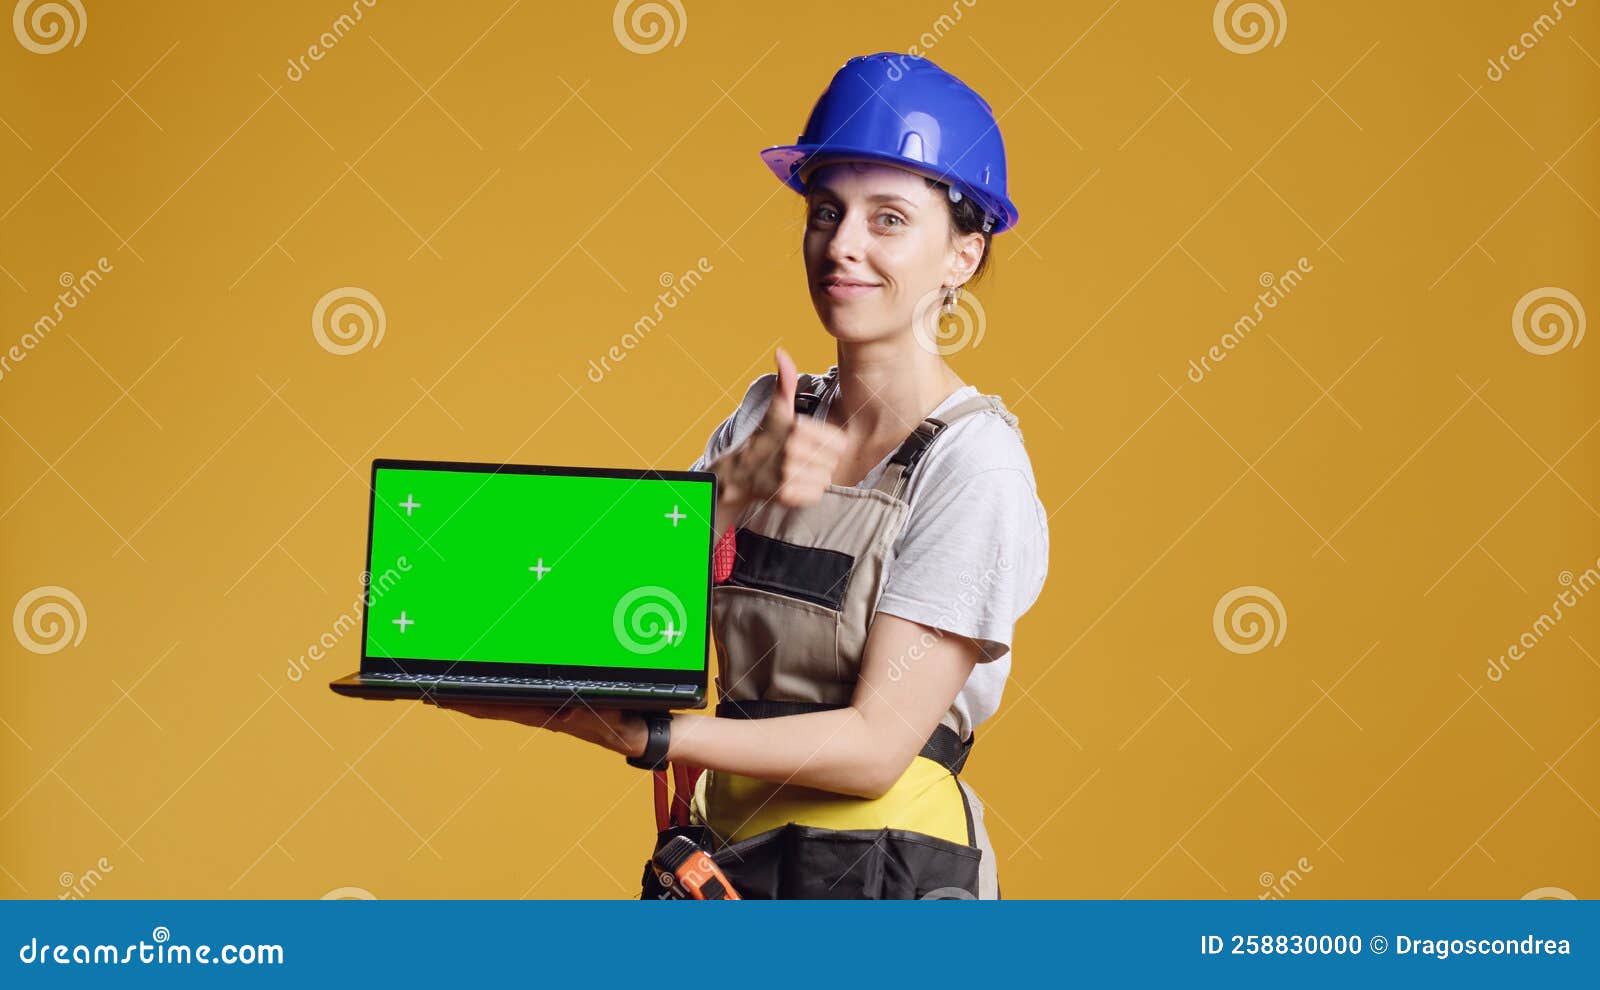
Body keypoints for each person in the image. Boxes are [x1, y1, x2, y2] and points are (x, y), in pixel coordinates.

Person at [432, 52, 1049, 899]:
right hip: (732, 867)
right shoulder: (768, 417)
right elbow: (605, 611)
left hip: (884, 880)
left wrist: (660, 738)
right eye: (826, 210)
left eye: (890, 219)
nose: (844, 245)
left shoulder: (972, 465)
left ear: (964, 255)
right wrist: (730, 487)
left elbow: (874, 748)